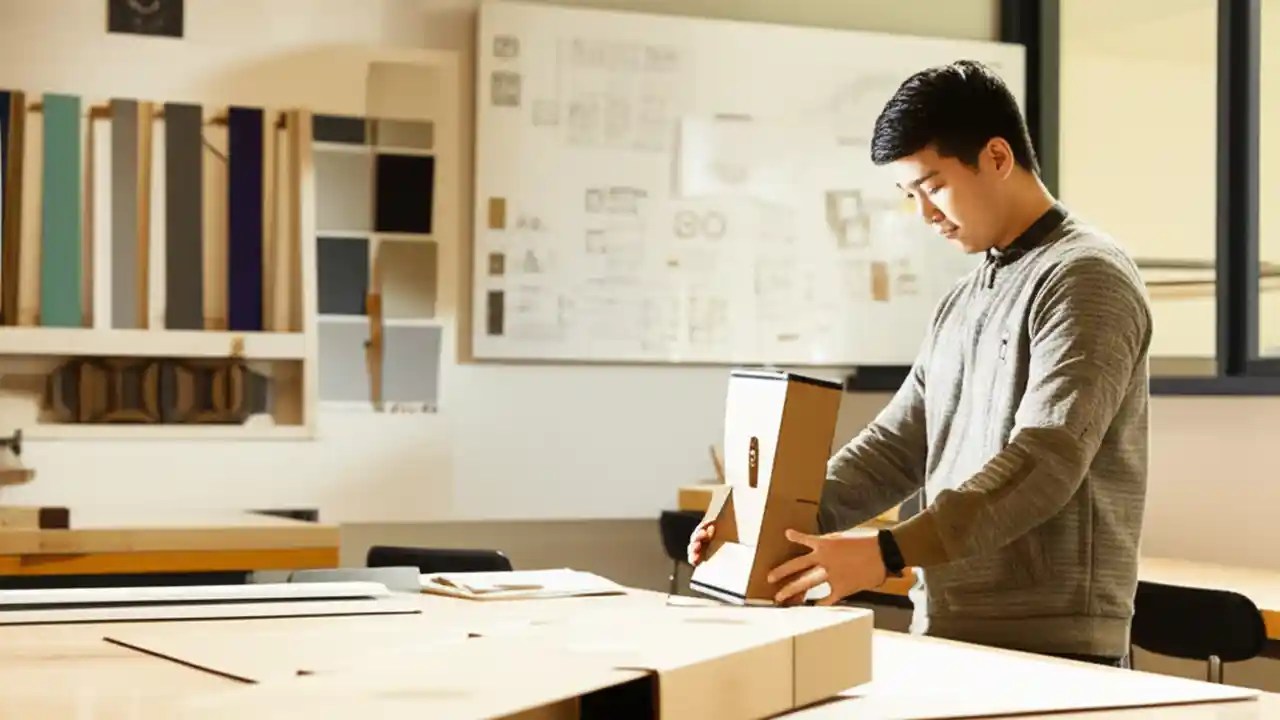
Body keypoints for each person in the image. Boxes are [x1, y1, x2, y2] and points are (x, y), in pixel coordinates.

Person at [689, 59, 1151, 667]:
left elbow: (1045, 461)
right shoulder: (964, 297)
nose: (925, 214)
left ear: (996, 157)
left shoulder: (1087, 277)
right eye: (911, 195)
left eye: (932, 186)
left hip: (1051, 642)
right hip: (949, 622)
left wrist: (884, 552)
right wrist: (771, 520)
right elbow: (898, 444)